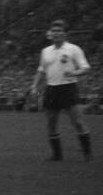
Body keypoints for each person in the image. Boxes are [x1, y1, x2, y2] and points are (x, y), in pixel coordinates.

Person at [29, 20, 92, 161]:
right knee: (51, 122)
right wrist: (34, 85)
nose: (55, 33)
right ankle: (57, 155)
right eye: (53, 31)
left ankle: (87, 153)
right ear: (50, 33)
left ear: (65, 34)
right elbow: (41, 70)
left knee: (77, 122)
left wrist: (74, 73)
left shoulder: (73, 49)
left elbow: (86, 68)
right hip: (51, 89)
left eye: (59, 31)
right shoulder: (45, 51)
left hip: (68, 88)